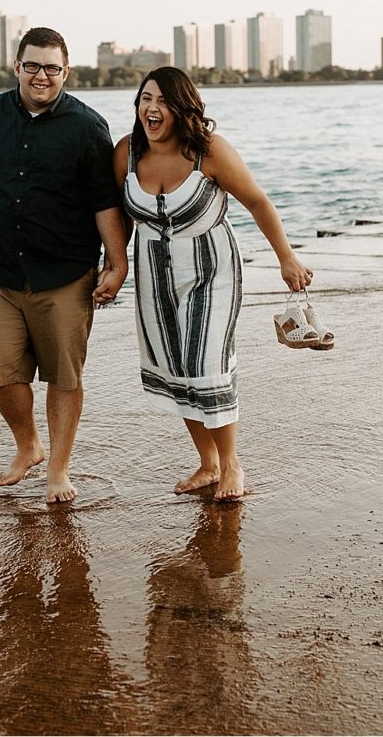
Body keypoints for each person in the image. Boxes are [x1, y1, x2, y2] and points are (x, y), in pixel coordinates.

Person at [0, 27, 128, 503]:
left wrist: (117, 262)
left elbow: (105, 202)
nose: (42, 76)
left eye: (52, 68)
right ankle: (29, 446)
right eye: (33, 65)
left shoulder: (87, 126)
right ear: (16, 66)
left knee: (64, 377)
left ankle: (58, 468)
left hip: (65, 273)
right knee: (1, 375)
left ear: (66, 71)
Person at [112, 66, 311, 501]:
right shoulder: (126, 153)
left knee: (206, 364)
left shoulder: (210, 151)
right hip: (153, 276)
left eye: (164, 101)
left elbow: (257, 201)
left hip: (212, 271)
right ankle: (208, 463)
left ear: (184, 107)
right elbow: (120, 218)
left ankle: (232, 464)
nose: (153, 108)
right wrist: (112, 266)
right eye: (146, 98)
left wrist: (287, 258)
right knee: (177, 369)